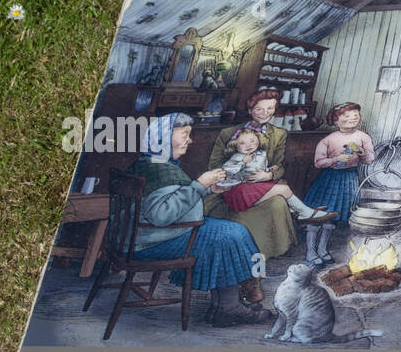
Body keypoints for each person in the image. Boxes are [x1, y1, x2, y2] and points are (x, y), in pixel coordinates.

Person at [126, 112, 266, 327]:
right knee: (228, 235)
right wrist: (200, 184)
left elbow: (172, 199)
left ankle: (231, 303)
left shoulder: (151, 162)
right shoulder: (159, 169)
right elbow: (161, 215)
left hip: (148, 235)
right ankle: (231, 307)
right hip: (151, 241)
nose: (189, 140)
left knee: (234, 231)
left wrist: (208, 189)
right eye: (185, 134)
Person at [203, 90, 300, 260]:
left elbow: (279, 165)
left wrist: (268, 175)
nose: (265, 114)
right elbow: (214, 165)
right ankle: (242, 253)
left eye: (270, 109)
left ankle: (275, 250)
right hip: (232, 185)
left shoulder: (279, 134)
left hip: (262, 184)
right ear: (250, 110)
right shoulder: (228, 133)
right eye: (259, 109)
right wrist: (231, 175)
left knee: (277, 202)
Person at [303, 102, 377, 267]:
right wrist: (336, 159)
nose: (352, 118)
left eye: (355, 115)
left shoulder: (363, 137)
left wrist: (360, 151)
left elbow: (370, 160)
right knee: (317, 215)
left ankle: (322, 250)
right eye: (346, 115)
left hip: (349, 179)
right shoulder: (328, 140)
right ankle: (310, 252)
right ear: (336, 120)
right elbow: (318, 162)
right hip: (329, 178)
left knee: (332, 218)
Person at [217, 127, 336, 222]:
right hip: (242, 189)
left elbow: (259, 168)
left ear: (258, 140)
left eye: (252, 141)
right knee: (283, 189)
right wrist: (243, 162)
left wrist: (269, 170)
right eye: (242, 143)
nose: (249, 145)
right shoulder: (237, 156)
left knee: (282, 183)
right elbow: (227, 171)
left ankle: (297, 210)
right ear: (236, 145)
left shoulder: (261, 153)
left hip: (256, 184)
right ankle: (305, 213)